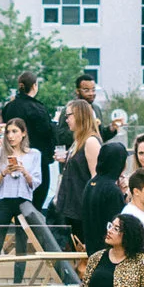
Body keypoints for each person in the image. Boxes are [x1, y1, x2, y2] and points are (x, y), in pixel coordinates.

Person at [0, 116, 65, 287]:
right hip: (5, 200)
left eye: (15, 132)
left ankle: (17, 284)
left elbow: (35, 182)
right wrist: (4, 172)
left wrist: (24, 171)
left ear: (23, 133)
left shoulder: (34, 154)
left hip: (23, 202)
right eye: (8, 132)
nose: (11, 136)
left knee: (21, 245)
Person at [0, 72, 56, 208]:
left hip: (14, 158)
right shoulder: (38, 108)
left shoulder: (9, 107)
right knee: (36, 201)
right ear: (34, 86)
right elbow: (47, 133)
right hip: (37, 159)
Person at [51, 99, 102, 236]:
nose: (66, 120)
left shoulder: (90, 141)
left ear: (80, 115)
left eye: (68, 116)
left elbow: (95, 178)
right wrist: (66, 158)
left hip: (82, 209)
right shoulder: (78, 140)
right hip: (73, 206)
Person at [80, 139, 130, 255]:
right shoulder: (112, 190)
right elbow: (119, 224)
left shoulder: (91, 183)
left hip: (93, 251)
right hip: (109, 254)